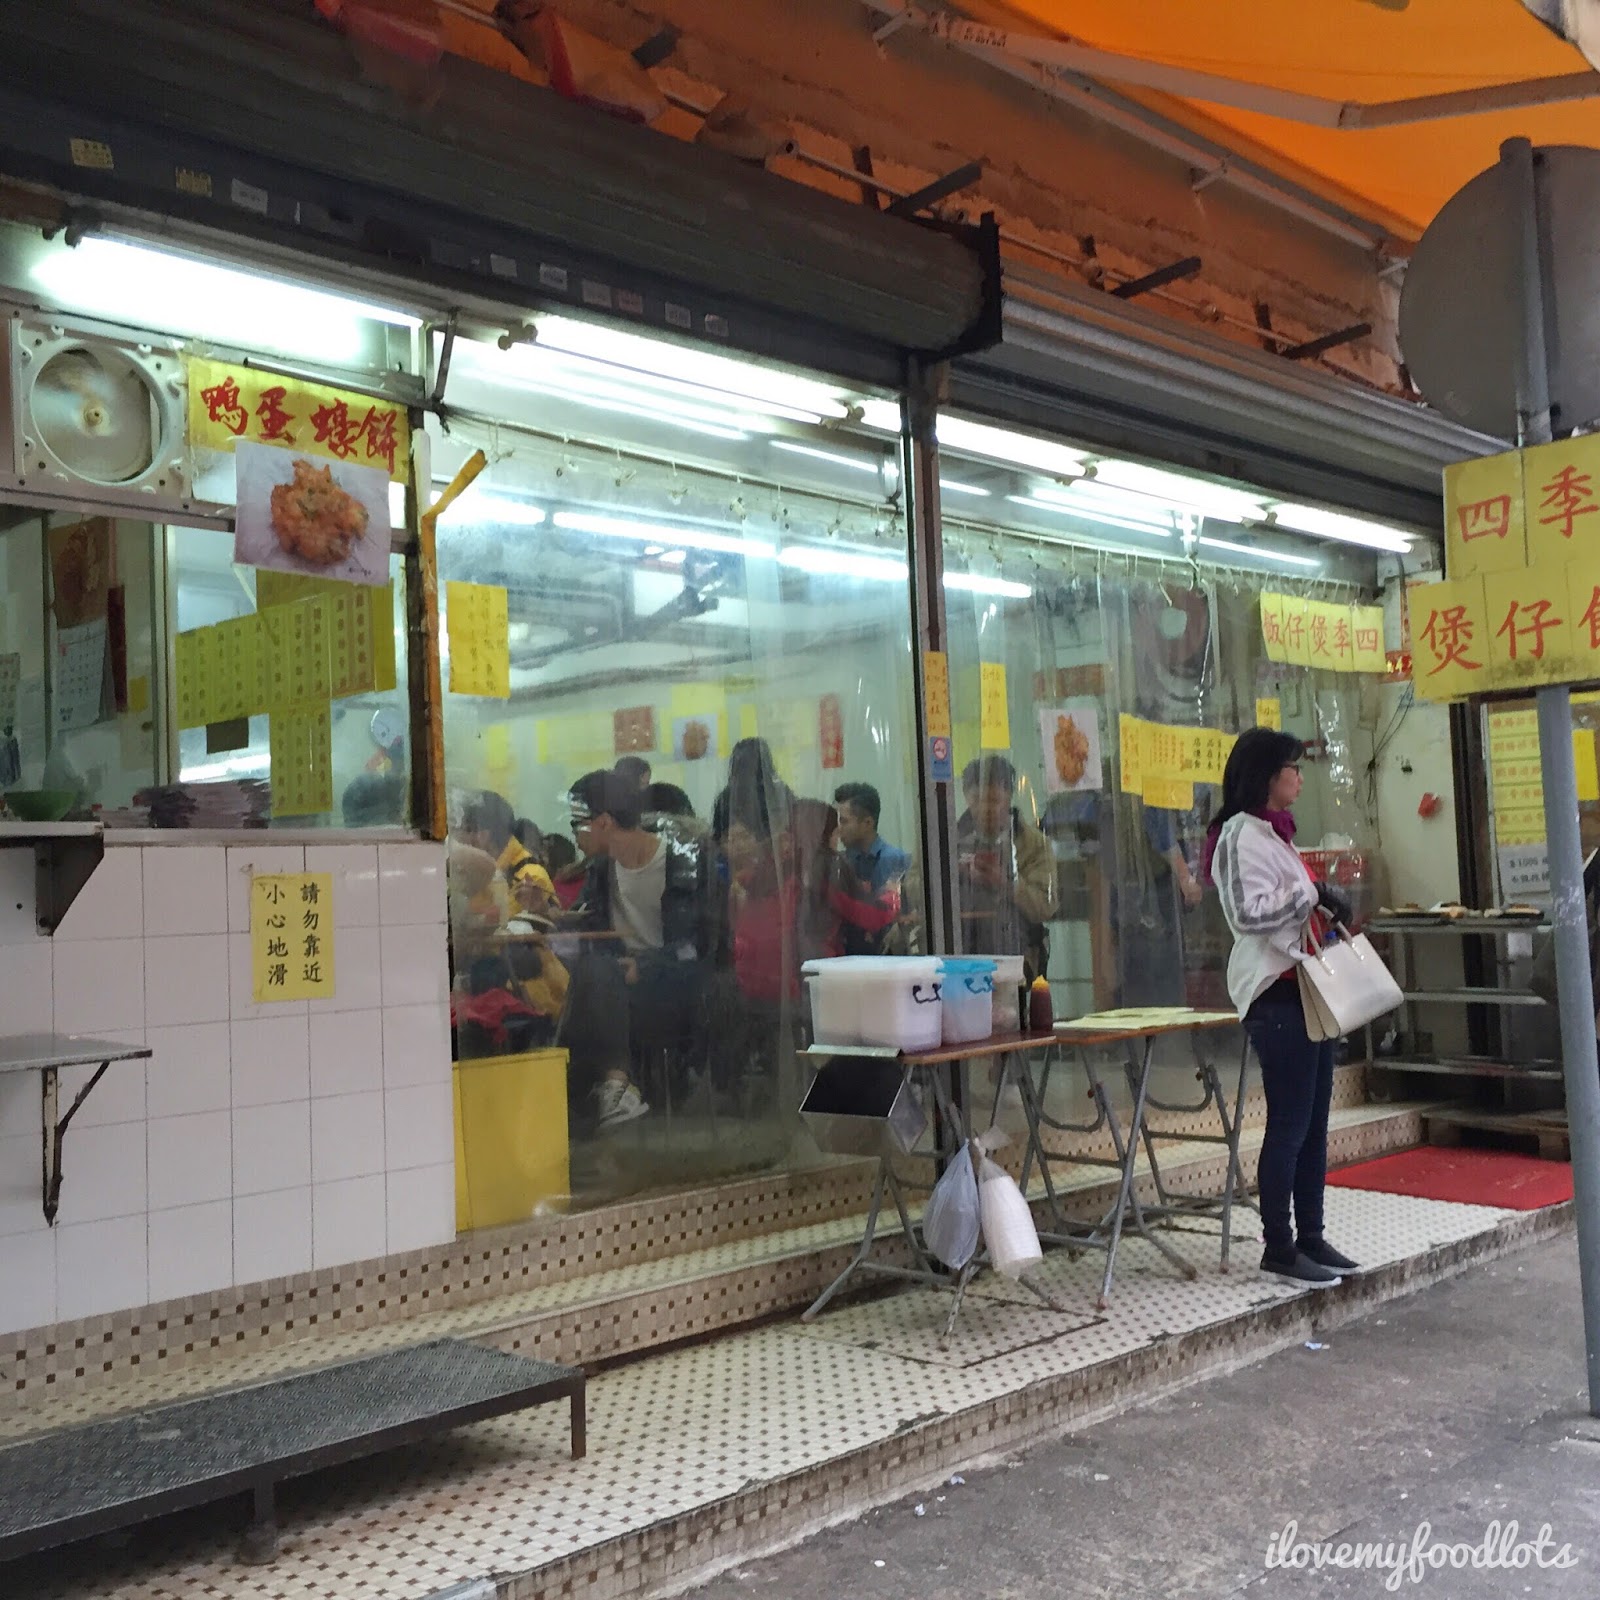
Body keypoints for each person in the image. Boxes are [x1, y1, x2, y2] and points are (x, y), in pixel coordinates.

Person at [1204, 727, 1359, 1288]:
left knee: (1314, 1121)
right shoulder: (1241, 836)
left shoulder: (1276, 836)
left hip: (1303, 989)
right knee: (1291, 1122)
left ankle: (1311, 1236)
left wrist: (1321, 899)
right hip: (1273, 992)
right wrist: (1311, 895)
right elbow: (1248, 914)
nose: (1299, 776)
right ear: (1268, 777)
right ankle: (1279, 1245)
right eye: (1292, 767)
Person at [562, 769, 707, 1129]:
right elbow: (591, 928)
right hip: (618, 987)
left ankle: (613, 1086)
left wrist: (645, 966)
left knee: (593, 979)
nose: (574, 835)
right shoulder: (600, 872)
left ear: (605, 822)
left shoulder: (685, 861)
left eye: (576, 823)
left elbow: (701, 947)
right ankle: (603, 1094)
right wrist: (553, 918)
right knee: (587, 977)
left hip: (678, 990)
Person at [956, 756, 1058, 981]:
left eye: (994, 800)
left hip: (1016, 958)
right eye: (977, 800)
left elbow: (1047, 905)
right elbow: (915, 887)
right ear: (966, 797)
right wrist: (953, 875)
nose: (986, 809)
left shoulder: (1034, 844)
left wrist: (1007, 883)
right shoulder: (947, 841)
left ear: (1010, 796)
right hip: (957, 959)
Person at [832, 781, 911, 956]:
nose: (838, 829)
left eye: (844, 822)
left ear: (867, 823)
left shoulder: (895, 860)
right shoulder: (840, 863)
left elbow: (894, 916)